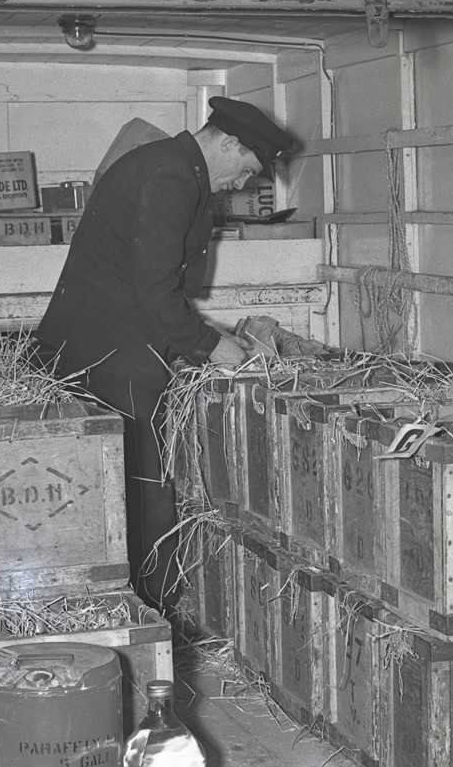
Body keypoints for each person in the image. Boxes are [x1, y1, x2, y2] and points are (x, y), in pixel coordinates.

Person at [34, 97, 300, 612]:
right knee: (147, 485)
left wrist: (192, 344)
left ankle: (128, 601)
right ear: (227, 142)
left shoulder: (164, 164)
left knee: (120, 482)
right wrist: (211, 346)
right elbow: (155, 290)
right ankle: (152, 611)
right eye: (246, 169)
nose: (244, 185)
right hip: (110, 353)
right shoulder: (172, 177)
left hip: (100, 343)